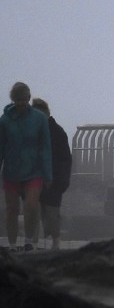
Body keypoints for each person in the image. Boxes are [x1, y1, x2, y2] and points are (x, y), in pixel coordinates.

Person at [0, 82, 52, 251]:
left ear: (29, 98)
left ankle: (29, 240)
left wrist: (48, 174)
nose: (21, 103)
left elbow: (45, 148)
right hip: (11, 171)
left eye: (24, 99)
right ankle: (13, 244)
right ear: (13, 100)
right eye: (18, 100)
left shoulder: (40, 119)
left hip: (34, 171)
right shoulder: (5, 120)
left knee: (31, 206)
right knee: (12, 209)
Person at [29, 98, 71, 250]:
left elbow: (65, 158)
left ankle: (55, 242)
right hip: (35, 177)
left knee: (52, 214)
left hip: (54, 180)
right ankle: (33, 242)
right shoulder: (32, 131)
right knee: (34, 211)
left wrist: (62, 181)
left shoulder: (57, 132)